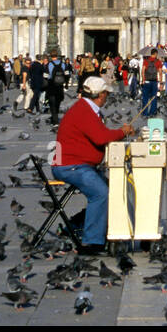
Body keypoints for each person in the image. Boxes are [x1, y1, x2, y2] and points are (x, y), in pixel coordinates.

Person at [52, 76, 134, 256]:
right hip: (71, 166)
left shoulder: (86, 108)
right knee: (101, 193)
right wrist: (123, 131)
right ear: (101, 95)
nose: (107, 97)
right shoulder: (84, 111)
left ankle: (74, 227)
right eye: (106, 94)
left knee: (112, 188)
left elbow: (100, 134)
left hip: (79, 164)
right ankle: (91, 242)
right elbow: (101, 138)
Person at [45, 52, 68, 124]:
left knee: (52, 103)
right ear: (57, 56)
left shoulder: (49, 64)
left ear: (51, 56)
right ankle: (55, 116)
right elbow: (67, 74)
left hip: (51, 85)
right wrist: (66, 83)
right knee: (58, 102)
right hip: (60, 86)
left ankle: (54, 119)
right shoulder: (63, 64)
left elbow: (45, 76)